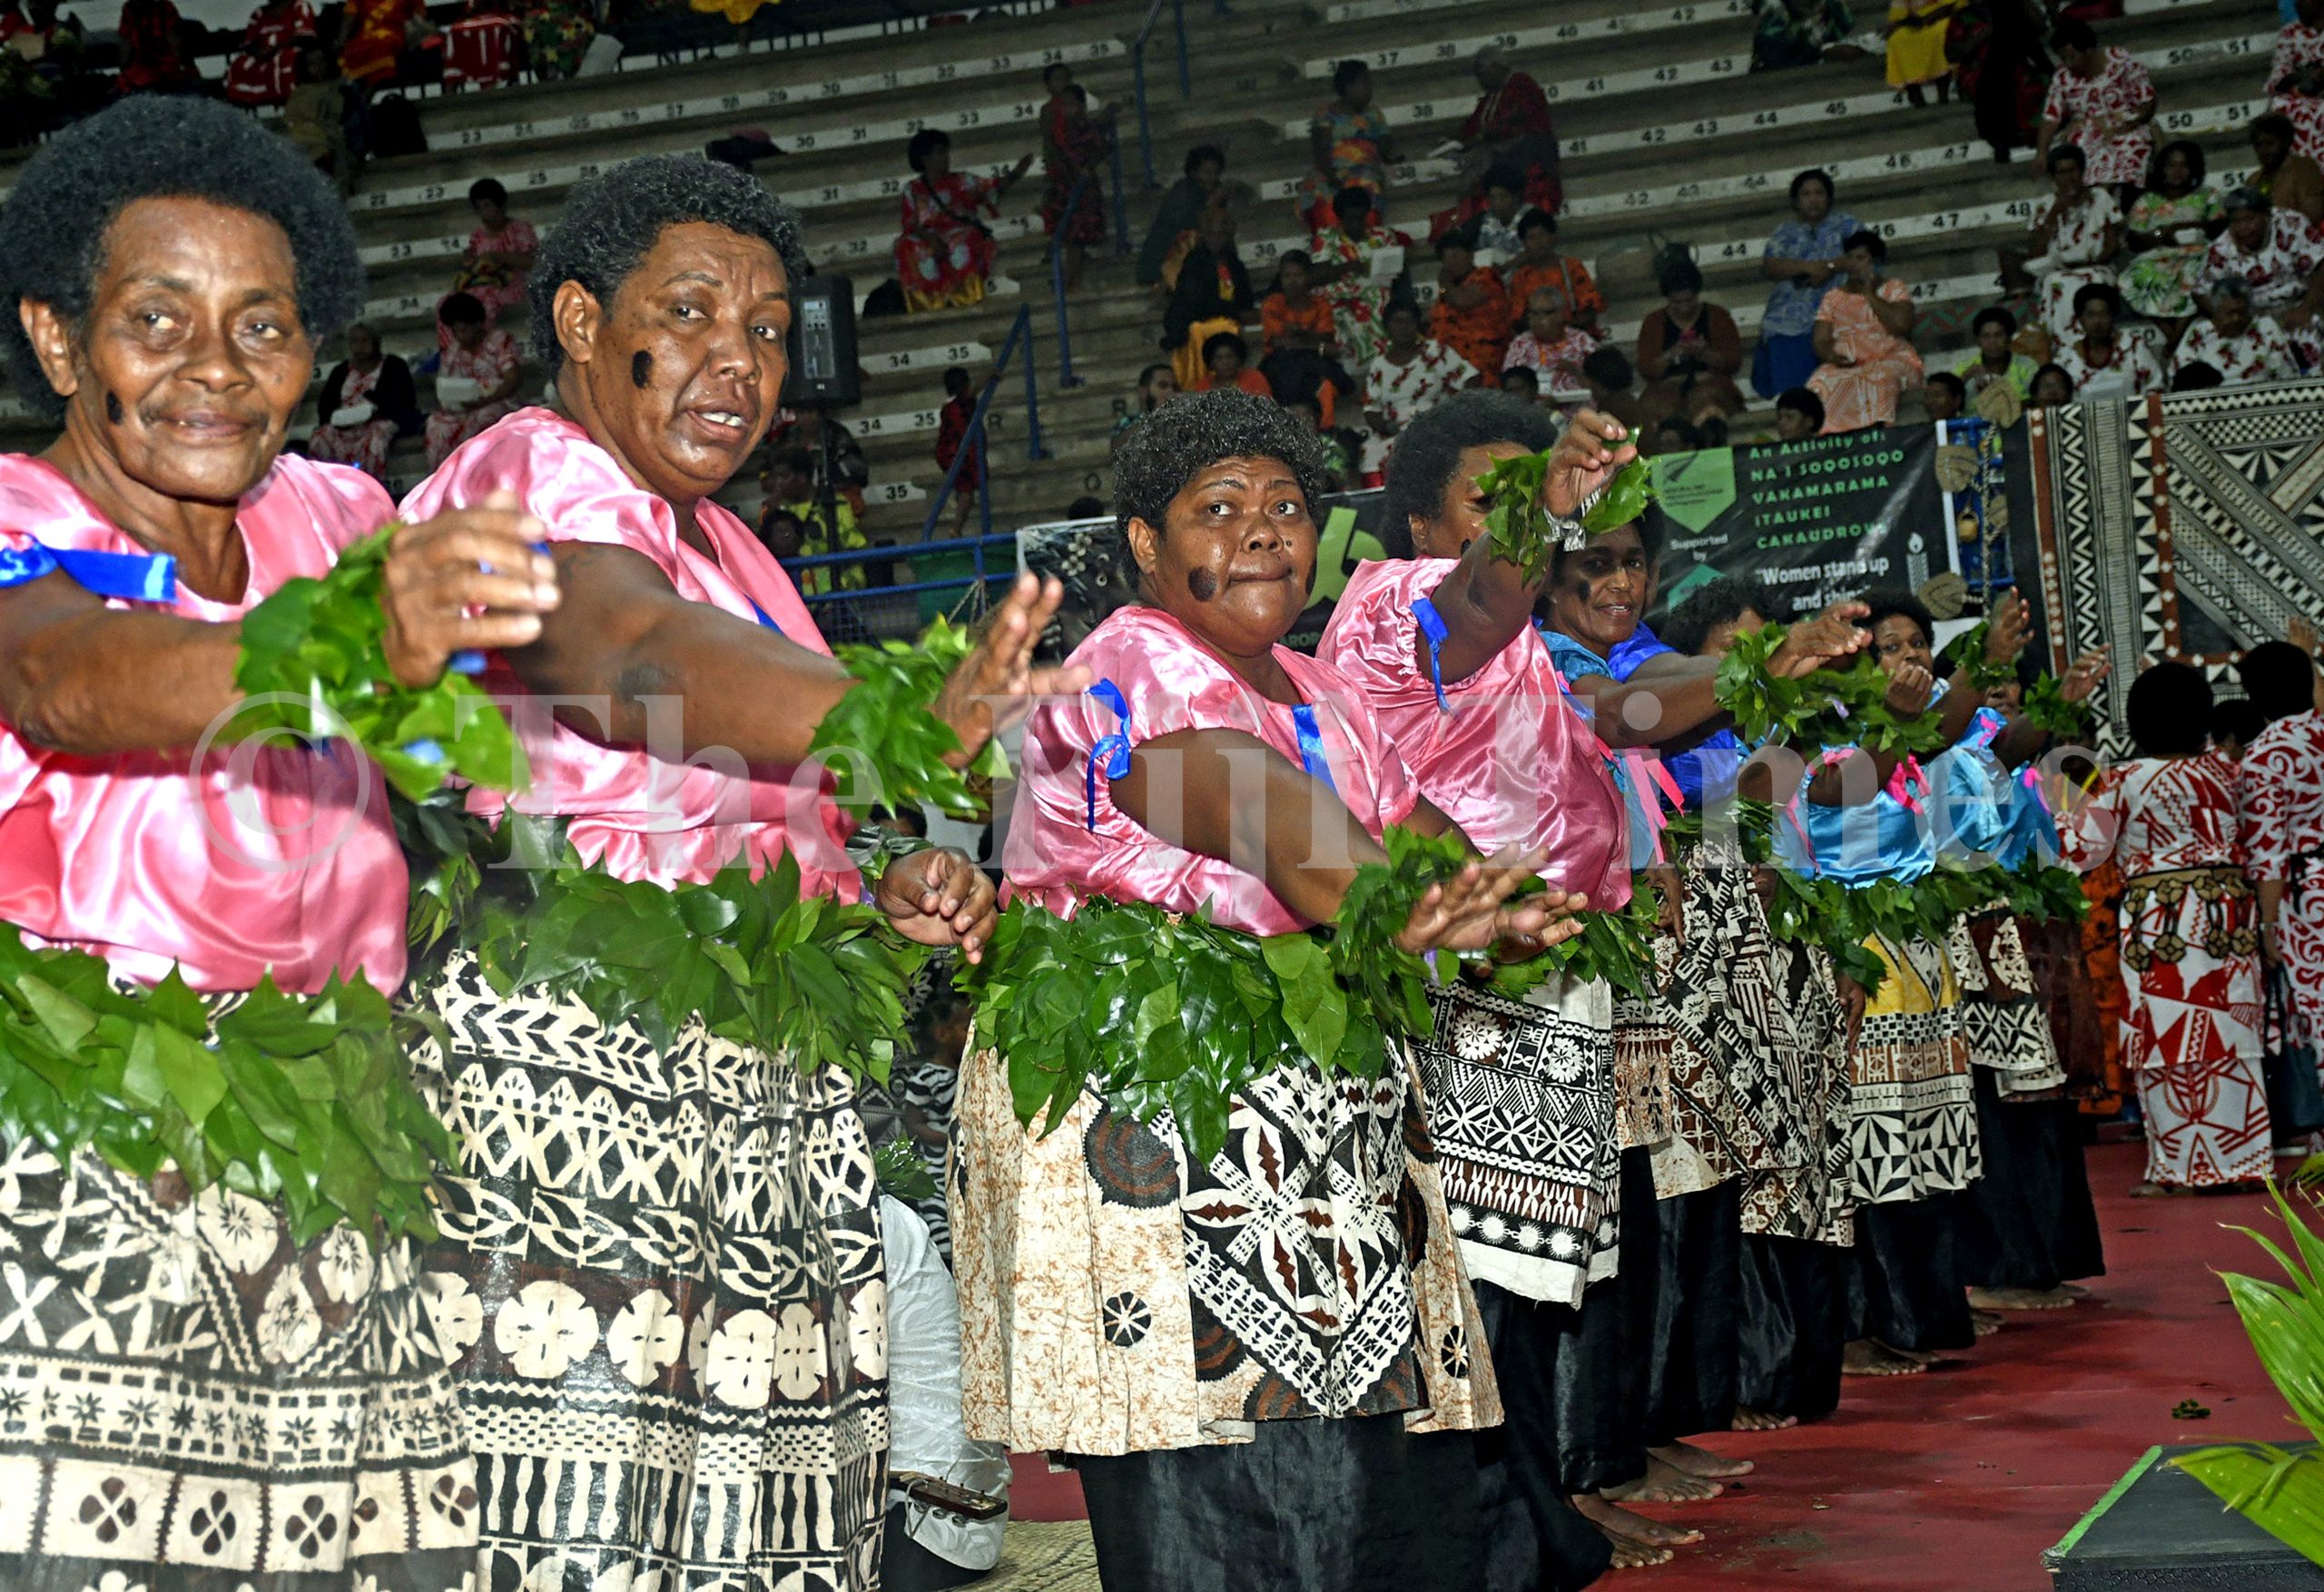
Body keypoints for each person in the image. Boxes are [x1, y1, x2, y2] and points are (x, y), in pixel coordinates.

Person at [399, 153, 1082, 1592]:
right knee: (582, 1509)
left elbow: (750, 805)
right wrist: (896, 711)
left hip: (748, 1089)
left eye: (769, 329)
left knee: (744, 1520)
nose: (742, 360)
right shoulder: (534, 472)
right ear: (582, 322)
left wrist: (881, 893)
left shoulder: (729, 550)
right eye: (693, 312)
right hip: (574, 1080)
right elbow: (623, 655)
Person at [0, 93, 563, 1592]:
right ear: (58, 341)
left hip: (338, 1168)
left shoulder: (339, 515)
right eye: (155, 320)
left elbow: (508, 719)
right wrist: (334, 649)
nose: (215, 368)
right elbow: (67, 676)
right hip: (81, 1178)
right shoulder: (13, 522)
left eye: (263, 327)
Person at [959, 388, 1556, 1592]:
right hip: (1158, 1107)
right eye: (1219, 509)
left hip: (1320, 1116)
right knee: (1225, 1478)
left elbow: (1409, 829)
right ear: (1146, 541)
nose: (1263, 531)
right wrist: (1383, 897)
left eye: (1286, 506)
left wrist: (1492, 900)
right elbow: (1235, 789)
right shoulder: (1126, 664)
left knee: (1361, 1465)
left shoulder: (1320, 688)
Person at [1318, 395, 1637, 1579]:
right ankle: (1506, 1544)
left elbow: (1608, 711)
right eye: (1486, 495)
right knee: (1482, 1284)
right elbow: (1476, 602)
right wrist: (1538, 509)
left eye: (1527, 490)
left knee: (1532, 1281)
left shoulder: (1523, 640)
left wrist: (1767, 677)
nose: (1513, 517)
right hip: (1465, 984)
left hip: (1535, 976)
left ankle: (1546, 1517)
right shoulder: (1395, 607)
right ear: (1418, 520)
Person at [2069, 663, 2269, 1193]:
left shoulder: (2121, 781)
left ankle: (2175, 1170)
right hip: (2228, 920)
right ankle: (2245, 1164)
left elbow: (2079, 850)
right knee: (2235, 1035)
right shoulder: (2231, 772)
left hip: (2160, 925)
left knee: (2162, 1039)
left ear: (2137, 721)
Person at [2242, 635, 2324, 1053]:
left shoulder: (2263, 757)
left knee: (2316, 1015)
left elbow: (2268, 854)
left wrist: (2268, 926)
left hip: (2307, 899)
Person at [896, 129, 1034, 315]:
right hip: (927, 236)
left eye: (946, 152)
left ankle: (964, 298)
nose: (946, 158)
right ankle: (927, 304)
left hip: (958, 232)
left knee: (962, 243)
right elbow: (910, 224)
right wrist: (931, 239)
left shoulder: (962, 181)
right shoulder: (911, 189)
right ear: (924, 158)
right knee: (905, 246)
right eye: (939, 152)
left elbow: (992, 187)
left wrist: (1017, 173)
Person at [1756, 169, 1863, 398]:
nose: (1813, 200)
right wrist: (1807, 267)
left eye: (1819, 193)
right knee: (1796, 392)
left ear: (1829, 198)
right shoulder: (1784, 232)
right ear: (1796, 201)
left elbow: (1866, 254)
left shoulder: (1847, 225)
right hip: (1791, 316)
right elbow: (1770, 266)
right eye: (1806, 194)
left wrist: (1830, 267)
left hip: (1837, 313)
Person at [1807, 230, 1923, 433]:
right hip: (1847, 363)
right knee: (1818, 383)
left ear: (1875, 262)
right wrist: (1831, 356)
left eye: (1860, 258)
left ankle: (1877, 435)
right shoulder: (1833, 297)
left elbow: (1901, 325)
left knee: (1881, 378)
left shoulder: (1893, 288)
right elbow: (1820, 340)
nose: (1853, 264)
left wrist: (1869, 294)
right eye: (1849, 257)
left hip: (1890, 359)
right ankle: (1832, 439)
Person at [2201, 185, 2324, 367]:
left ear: (2266, 215)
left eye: (2248, 219)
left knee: (2309, 344)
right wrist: (2235, 318)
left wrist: (2306, 308)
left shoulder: (2291, 224)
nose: (2242, 228)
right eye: (2235, 222)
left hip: (2301, 305)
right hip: (2253, 319)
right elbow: (2201, 292)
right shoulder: (2221, 248)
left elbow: (2321, 264)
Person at [2040, 19, 2156, 199]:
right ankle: (2094, 201)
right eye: (2063, 59)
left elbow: (2147, 99)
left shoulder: (2119, 60)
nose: (2068, 64)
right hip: (2085, 134)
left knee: (2128, 148)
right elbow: (2051, 116)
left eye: (2072, 57)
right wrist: (2041, 153)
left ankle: (2107, 199)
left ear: (2089, 51)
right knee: (2069, 157)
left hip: (2125, 126)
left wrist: (2128, 122)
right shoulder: (2062, 77)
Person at [2122, 141, 2226, 341]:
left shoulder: (2207, 195)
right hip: (2159, 255)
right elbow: (2134, 240)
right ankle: (2172, 334)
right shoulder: (2148, 201)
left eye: (2184, 165)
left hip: (2197, 253)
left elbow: (2219, 227)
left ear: (2193, 169)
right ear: (2162, 169)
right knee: (2133, 277)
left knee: (2192, 272)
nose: (2177, 171)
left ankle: (2177, 335)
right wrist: (2161, 235)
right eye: (2171, 165)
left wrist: (2186, 227)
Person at [1361, 300, 1474, 479]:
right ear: (1387, 326)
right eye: (1398, 322)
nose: (1404, 328)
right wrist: (1386, 427)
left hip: (1435, 426)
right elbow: (1371, 410)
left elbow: (1471, 379)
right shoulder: (1379, 365)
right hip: (1395, 432)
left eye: (1410, 321)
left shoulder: (1436, 352)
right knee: (1372, 455)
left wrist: (1455, 412)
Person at [2021, 143, 2123, 341]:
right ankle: (2065, 347)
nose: (2070, 177)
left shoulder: (2100, 197)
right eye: (2062, 172)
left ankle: (2096, 341)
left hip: (2096, 267)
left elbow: (2112, 243)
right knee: (2057, 284)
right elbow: (2035, 252)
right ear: (2053, 177)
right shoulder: (2044, 205)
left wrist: (2092, 262)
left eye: (2073, 170)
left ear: (2082, 171)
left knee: (2092, 280)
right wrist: (2054, 214)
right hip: (2057, 271)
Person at [1636, 256, 1745, 424]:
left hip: (1710, 382)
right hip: (1667, 386)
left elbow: (1733, 361)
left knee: (1708, 402)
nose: (1684, 308)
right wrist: (1671, 355)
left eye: (1689, 301)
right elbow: (1647, 368)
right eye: (1677, 302)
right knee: (1655, 407)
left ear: (1697, 295)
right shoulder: (1653, 322)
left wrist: (1704, 353)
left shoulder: (1718, 316)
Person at [424, 290, 524, 467]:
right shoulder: (453, 351)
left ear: (477, 323)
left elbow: (513, 379)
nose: (459, 336)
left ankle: (476, 472)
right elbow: (446, 385)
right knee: (435, 423)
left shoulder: (499, 341)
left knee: (483, 417)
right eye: (455, 331)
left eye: (463, 330)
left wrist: (486, 399)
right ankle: (445, 475)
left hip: (498, 402)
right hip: (464, 408)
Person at [1164, 200, 1256, 389]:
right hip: (1196, 320)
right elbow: (1194, 300)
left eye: (1221, 234)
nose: (1216, 239)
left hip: (1224, 316)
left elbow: (1244, 294)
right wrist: (1232, 311)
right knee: (1224, 327)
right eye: (1212, 234)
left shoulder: (1233, 261)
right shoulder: (1195, 261)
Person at [1456, 44, 1560, 212]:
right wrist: (1459, 140)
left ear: (1496, 67)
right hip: (1506, 153)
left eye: (1483, 73)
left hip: (1529, 151)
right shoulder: (1492, 95)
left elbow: (1513, 120)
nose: (1481, 80)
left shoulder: (1521, 84)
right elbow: (1474, 123)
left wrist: (1483, 135)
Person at [310, 319, 419, 477]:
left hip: (379, 421)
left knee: (375, 438)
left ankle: (370, 486)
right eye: (354, 342)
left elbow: (404, 403)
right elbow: (325, 407)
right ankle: (331, 487)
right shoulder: (340, 371)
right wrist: (341, 418)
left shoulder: (394, 365)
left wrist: (374, 406)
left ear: (376, 341)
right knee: (320, 438)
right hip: (344, 424)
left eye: (364, 341)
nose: (359, 347)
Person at [1947, 0, 2053, 162]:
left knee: (2035, 81)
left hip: (2016, 64)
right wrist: (1982, 36)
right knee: (1995, 84)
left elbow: (2039, 29)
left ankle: (2033, 136)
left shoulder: (2012, 7)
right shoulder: (1964, 16)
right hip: (1979, 71)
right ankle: (2000, 139)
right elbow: (1952, 54)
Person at [1259, 249, 1353, 421]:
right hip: (1281, 363)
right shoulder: (1272, 304)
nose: (1292, 281)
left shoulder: (1321, 305)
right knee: (1297, 371)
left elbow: (1325, 337)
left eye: (1298, 275)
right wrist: (1316, 343)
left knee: (1313, 369)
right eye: (1287, 276)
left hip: (1312, 361)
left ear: (1308, 276)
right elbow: (1279, 342)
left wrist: (1298, 338)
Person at [1040, 82, 1113, 294]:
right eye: (1063, 104)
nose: (1067, 108)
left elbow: (1104, 147)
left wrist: (1087, 167)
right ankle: (1070, 279)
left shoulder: (1085, 127)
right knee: (1069, 238)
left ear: (1082, 105)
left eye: (1071, 103)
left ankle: (1073, 280)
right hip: (1064, 186)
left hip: (1082, 188)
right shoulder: (1060, 129)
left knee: (1076, 237)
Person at [445, 176, 538, 334]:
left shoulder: (520, 229)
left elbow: (533, 262)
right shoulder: (477, 236)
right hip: (482, 283)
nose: (484, 212)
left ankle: (480, 341)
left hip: (512, 285)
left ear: (500, 205)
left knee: (481, 299)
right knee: (447, 303)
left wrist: (499, 257)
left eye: (487, 206)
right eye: (479, 208)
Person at [2176, 273, 2301, 386]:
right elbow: (2180, 383)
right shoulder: (2199, 334)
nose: (2236, 319)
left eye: (2242, 312)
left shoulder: (2266, 328)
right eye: (2230, 313)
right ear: (2216, 311)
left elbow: (2287, 377)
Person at [1310, 58, 1398, 209]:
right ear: (1348, 85)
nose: (1370, 87)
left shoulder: (1374, 113)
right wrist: (1333, 178)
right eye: (1365, 82)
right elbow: (1321, 150)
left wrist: (1386, 152)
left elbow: (1385, 141)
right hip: (1333, 176)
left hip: (1367, 174)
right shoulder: (1325, 115)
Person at [1136, 142, 1225, 288]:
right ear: (1193, 172)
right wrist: (1213, 203)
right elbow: (1189, 229)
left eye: (1216, 173)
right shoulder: (1182, 194)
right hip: (1166, 264)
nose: (1212, 178)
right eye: (1207, 173)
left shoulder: (1215, 191)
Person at [2054, 283, 2163, 400]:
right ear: (2080, 319)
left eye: (2103, 314)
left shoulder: (2134, 346)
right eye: (2090, 315)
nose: (2097, 321)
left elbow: (2155, 387)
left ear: (2113, 316)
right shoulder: (2066, 357)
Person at [1506, 209, 1604, 335]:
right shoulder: (1521, 277)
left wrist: (1559, 329)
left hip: (1574, 336)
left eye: (1542, 235)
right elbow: (1517, 321)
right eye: (1531, 238)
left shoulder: (1572, 267)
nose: (1538, 242)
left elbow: (1590, 312)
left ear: (1553, 237)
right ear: (1524, 243)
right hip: (1537, 340)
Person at [1430, 229, 1512, 377]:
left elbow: (1461, 302)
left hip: (1483, 360)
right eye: (1446, 259)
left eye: (1455, 256)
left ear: (1471, 255)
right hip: (1450, 363)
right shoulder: (1449, 288)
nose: (1451, 263)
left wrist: (1444, 282)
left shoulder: (1486, 276)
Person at [1501, 286, 1600, 402]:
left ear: (1561, 313)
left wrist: (1576, 371)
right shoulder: (1520, 345)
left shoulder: (1582, 340)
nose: (1539, 319)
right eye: (1534, 313)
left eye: (1546, 313)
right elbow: (1511, 389)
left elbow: (1603, 385)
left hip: (1582, 407)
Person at [223, 0, 316, 105]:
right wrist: (259, 52)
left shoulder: (300, 6)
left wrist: (274, 49)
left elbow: (304, 36)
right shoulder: (258, 14)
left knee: (284, 60)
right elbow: (250, 42)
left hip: (290, 52)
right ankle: (243, 100)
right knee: (240, 64)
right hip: (263, 56)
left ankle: (284, 98)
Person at [2250, 110, 2324, 227]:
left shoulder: (2303, 168)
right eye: (2258, 145)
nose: (2264, 151)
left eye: (2270, 143)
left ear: (2286, 142)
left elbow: (2312, 215)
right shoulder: (2253, 180)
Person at [1953, 306, 2040, 404]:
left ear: (2009, 338)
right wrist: (1965, 378)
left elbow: (2039, 401)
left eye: (1998, 335)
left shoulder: (2027, 366)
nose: (1992, 342)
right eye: (1986, 336)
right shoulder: (1964, 369)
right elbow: (1948, 402)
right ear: (1977, 340)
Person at [933, 364, 980, 532]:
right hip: (957, 455)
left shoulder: (951, 406)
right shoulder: (958, 405)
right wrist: (990, 375)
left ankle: (957, 528)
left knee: (966, 492)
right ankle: (955, 529)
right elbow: (973, 392)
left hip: (952, 454)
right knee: (966, 492)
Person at [1887, 0, 1960, 105]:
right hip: (1915, 21)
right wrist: (1904, 21)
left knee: (1939, 34)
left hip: (1944, 16)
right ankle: (1914, 90)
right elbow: (1898, 15)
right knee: (1898, 38)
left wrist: (1924, 20)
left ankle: (1943, 93)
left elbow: (1950, 6)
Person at [339, 0, 428, 84]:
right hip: (369, 37)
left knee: (383, 45)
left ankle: (381, 82)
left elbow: (419, 16)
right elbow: (349, 19)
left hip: (394, 35)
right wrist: (341, 41)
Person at [1753, 0, 1858, 70]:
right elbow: (1780, 58)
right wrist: (1821, 52)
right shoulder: (1775, 14)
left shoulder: (1831, 10)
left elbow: (1848, 30)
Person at [116, 0, 197, 91]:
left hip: (164, 69)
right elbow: (125, 41)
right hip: (142, 68)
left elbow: (175, 39)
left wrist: (187, 67)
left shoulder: (164, 8)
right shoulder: (130, 9)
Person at [1581, 345, 1654, 434]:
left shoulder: (1612, 408)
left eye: (1588, 379)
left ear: (1598, 383)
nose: (1586, 385)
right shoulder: (1625, 400)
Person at [1196, 329, 1273, 398]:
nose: (1225, 362)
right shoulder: (1203, 386)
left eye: (1229, 356)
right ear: (1211, 362)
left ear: (1239, 358)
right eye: (1219, 358)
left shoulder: (1255, 379)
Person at [1114, 360, 1178, 439]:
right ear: (1143, 392)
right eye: (1163, 386)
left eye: (1174, 388)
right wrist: (1157, 417)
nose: (1171, 392)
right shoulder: (1126, 423)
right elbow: (1119, 443)